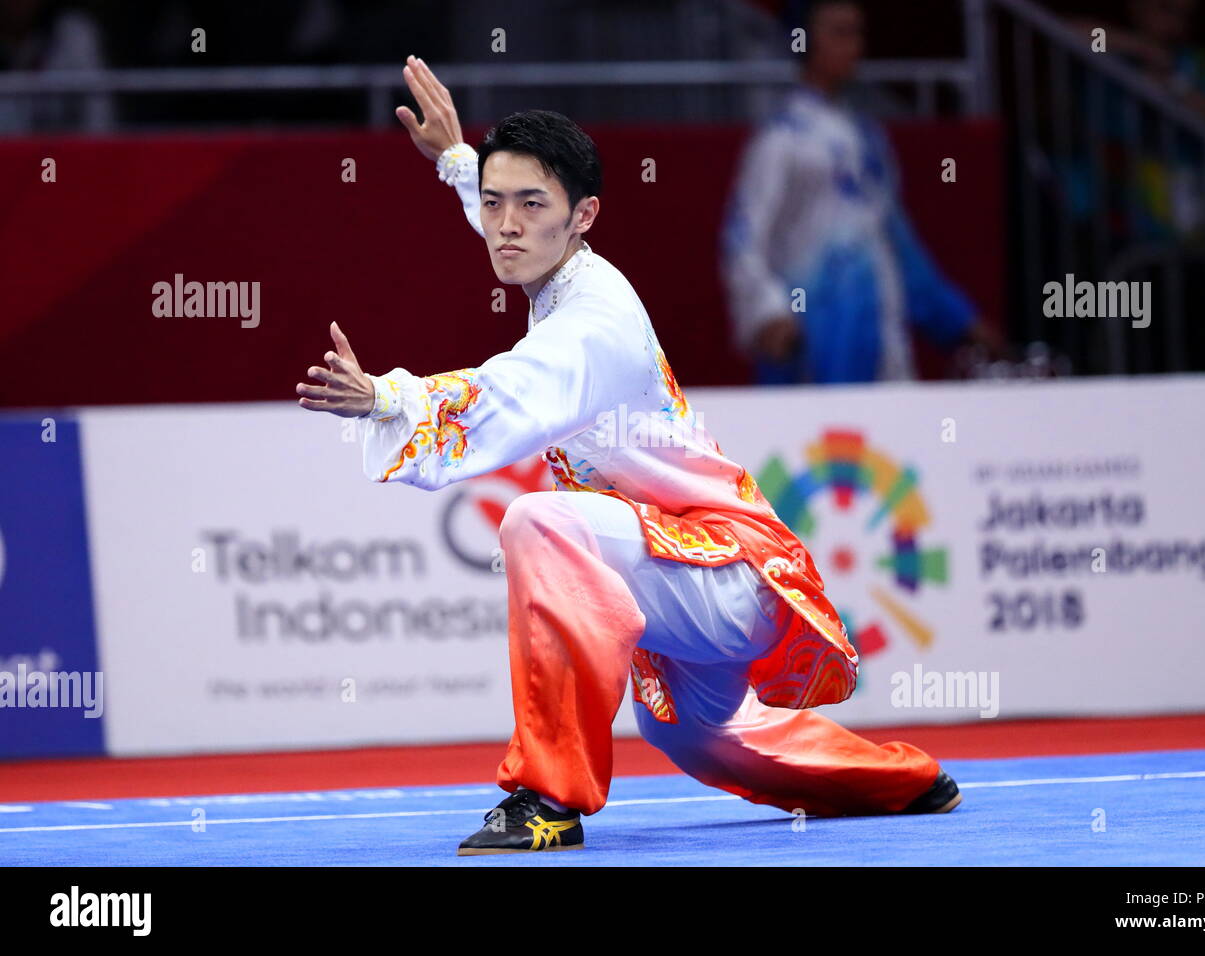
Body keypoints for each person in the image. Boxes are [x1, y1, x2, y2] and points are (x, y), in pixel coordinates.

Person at [297, 55, 961, 855]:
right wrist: (454, 160)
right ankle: (904, 781)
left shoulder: (594, 321)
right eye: (494, 202)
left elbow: (509, 393)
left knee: (541, 524)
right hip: (678, 567)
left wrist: (387, 398)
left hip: (730, 569)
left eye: (530, 205)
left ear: (584, 216)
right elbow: (510, 212)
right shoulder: (547, 256)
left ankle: (549, 798)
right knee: (696, 735)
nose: (505, 224)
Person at [722, 0, 998, 384]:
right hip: (813, 336)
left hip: (879, 329)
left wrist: (958, 320)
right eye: (839, 32)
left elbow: (899, 247)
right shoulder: (781, 140)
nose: (854, 46)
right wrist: (769, 313)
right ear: (803, 40)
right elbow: (743, 240)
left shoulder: (869, 138)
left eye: (858, 33)